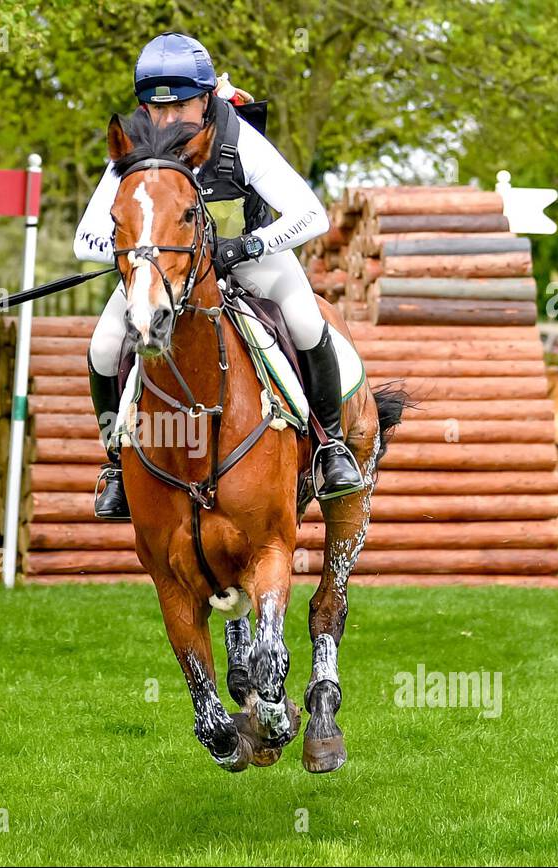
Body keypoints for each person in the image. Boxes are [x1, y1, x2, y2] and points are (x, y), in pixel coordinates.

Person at [73, 32, 355, 519]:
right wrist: (143, 253)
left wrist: (248, 245)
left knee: (307, 323)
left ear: (206, 100)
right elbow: (86, 239)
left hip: (249, 255)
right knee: (102, 346)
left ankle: (330, 448)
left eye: (179, 108)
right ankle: (117, 463)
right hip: (163, 270)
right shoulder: (133, 148)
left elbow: (312, 215)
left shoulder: (238, 135)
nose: (166, 122)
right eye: (155, 110)